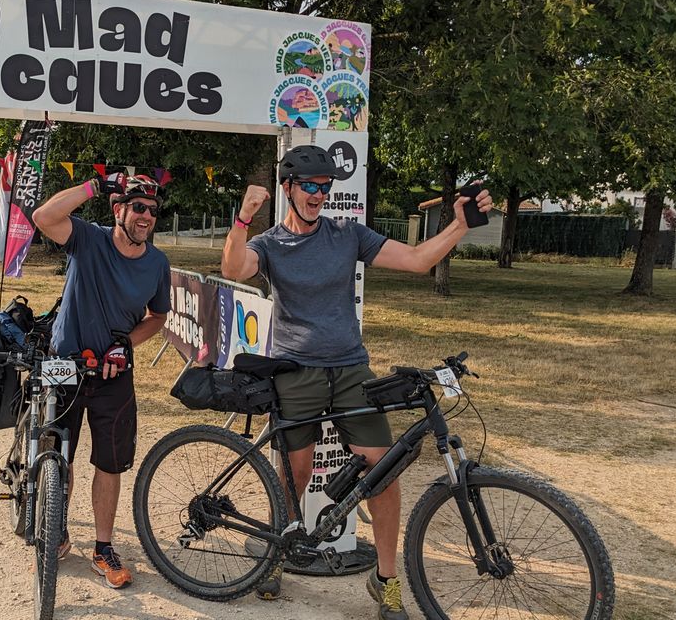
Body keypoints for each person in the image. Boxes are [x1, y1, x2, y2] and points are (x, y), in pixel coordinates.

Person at [221, 144, 492, 619]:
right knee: (295, 475)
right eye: (310, 186)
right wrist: (243, 220)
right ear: (288, 188)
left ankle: (386, 580)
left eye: (326, 187)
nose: (319, 195)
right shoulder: (270, 244)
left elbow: (415, 259)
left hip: (349, 369)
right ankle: (275, 557)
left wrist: (460, 226)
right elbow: (233, 269)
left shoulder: (347, 234)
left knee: (382, 472)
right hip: (295, 370)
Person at [31, 172, 171, 590]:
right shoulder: (87, 238)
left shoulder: (157, 264)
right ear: (119, 209)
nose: (146, 216)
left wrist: (124, 345)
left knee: (109, 462)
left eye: (152, 210)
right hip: (65, 363)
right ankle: (55, 526)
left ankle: (103, 548)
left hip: (113, 373)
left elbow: (158, 318)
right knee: (60, 453)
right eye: (138, 207)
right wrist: (95, 185)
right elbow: (43, 216)